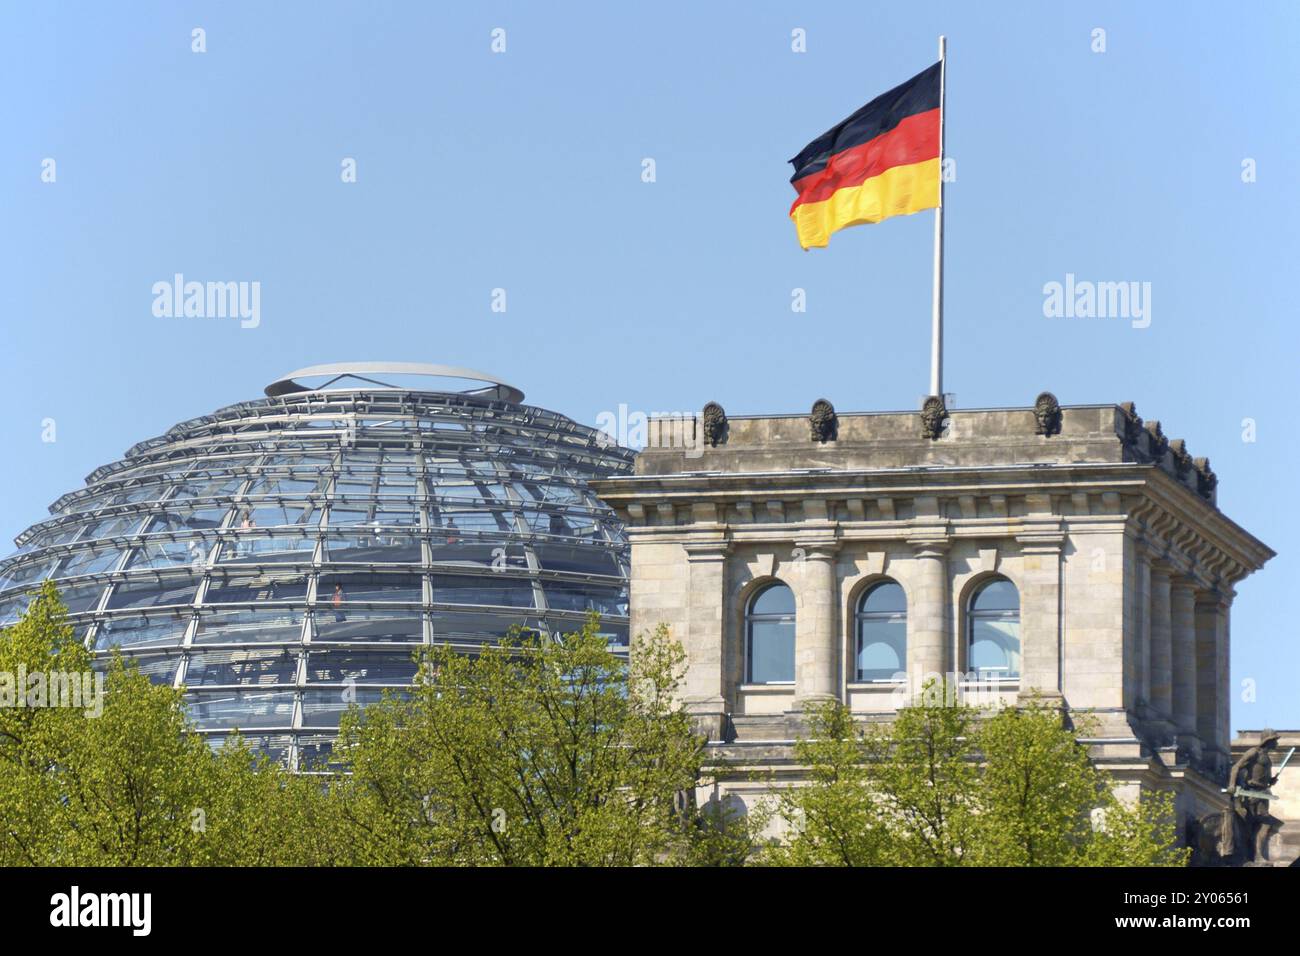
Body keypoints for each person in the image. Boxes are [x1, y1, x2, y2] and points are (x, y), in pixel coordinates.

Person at [1222, 729, 1282, 862]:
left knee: (1264, 825)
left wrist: (1270, 780)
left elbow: (1261, 774)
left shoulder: (1266, 756)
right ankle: (1254, 855)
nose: (1277, 743)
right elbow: (1236, 767)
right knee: (1255, 824)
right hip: (1252, 793)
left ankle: (1258, 855)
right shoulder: (1254, 752)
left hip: (1263, 793)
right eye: (1275, 740)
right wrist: (1232, 785)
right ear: (1269, 741)